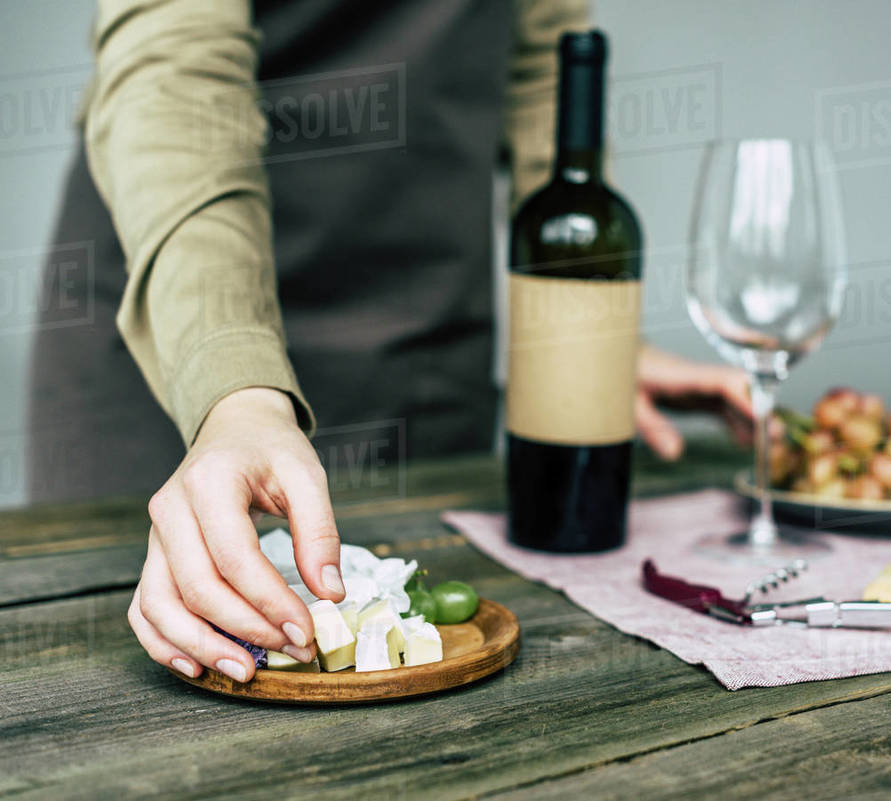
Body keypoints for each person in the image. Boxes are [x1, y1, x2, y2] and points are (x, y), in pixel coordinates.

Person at [31, 0, 753, 682]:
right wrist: (233, 390)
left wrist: (589, 334)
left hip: (420, 333)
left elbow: (540, 60)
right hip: (182, 313)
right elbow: (176, 74)